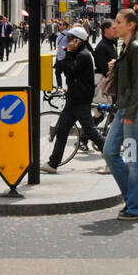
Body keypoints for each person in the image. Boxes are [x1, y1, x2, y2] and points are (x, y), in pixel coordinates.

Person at [104, 8, 138, 221]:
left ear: (130, 25)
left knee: (133, 158)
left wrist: (131, 112)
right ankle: (132, 199)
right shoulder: (125, 47)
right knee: (109, 152)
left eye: (119, 21)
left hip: (135, 109)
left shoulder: (136, 47)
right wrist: (117, 66)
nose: (114, 25)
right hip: (125, 108)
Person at [40, 27, 103, 172]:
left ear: (77, 41)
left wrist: (67, 53)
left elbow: (69, 71)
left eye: (69, 39)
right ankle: (53, 164)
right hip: (73, 100)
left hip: (80, 100)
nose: (67, 42)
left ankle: (113, 155)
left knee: (90, 131)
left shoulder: (83, 55)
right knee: (62, 130)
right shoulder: (78, 54)